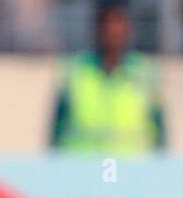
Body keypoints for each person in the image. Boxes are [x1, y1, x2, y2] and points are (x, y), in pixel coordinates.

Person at [51, 3, 166, 154]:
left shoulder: (145, 73)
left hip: (132, 172)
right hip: (82, 170)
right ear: (96, 29)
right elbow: (57, 131)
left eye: (118, 23)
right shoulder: (75, 71)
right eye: (107, 24)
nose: (112, 31)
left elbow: (160, 134)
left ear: (128, 29)